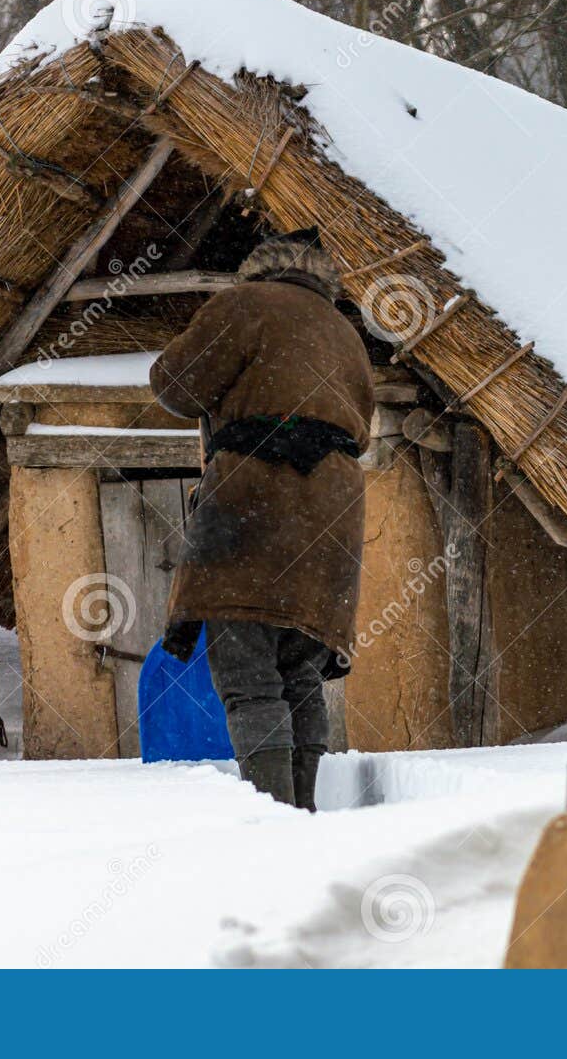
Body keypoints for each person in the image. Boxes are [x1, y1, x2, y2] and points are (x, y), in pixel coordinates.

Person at [150, 229, 375, 810]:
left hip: (256, 503)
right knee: (299, 671)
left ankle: (274, 819)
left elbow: (175, 383)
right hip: (333, 517)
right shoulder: (345, 332)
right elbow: (363, 427)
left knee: (248, 674)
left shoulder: (244, 304)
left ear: (258, 269)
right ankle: (303, 809)